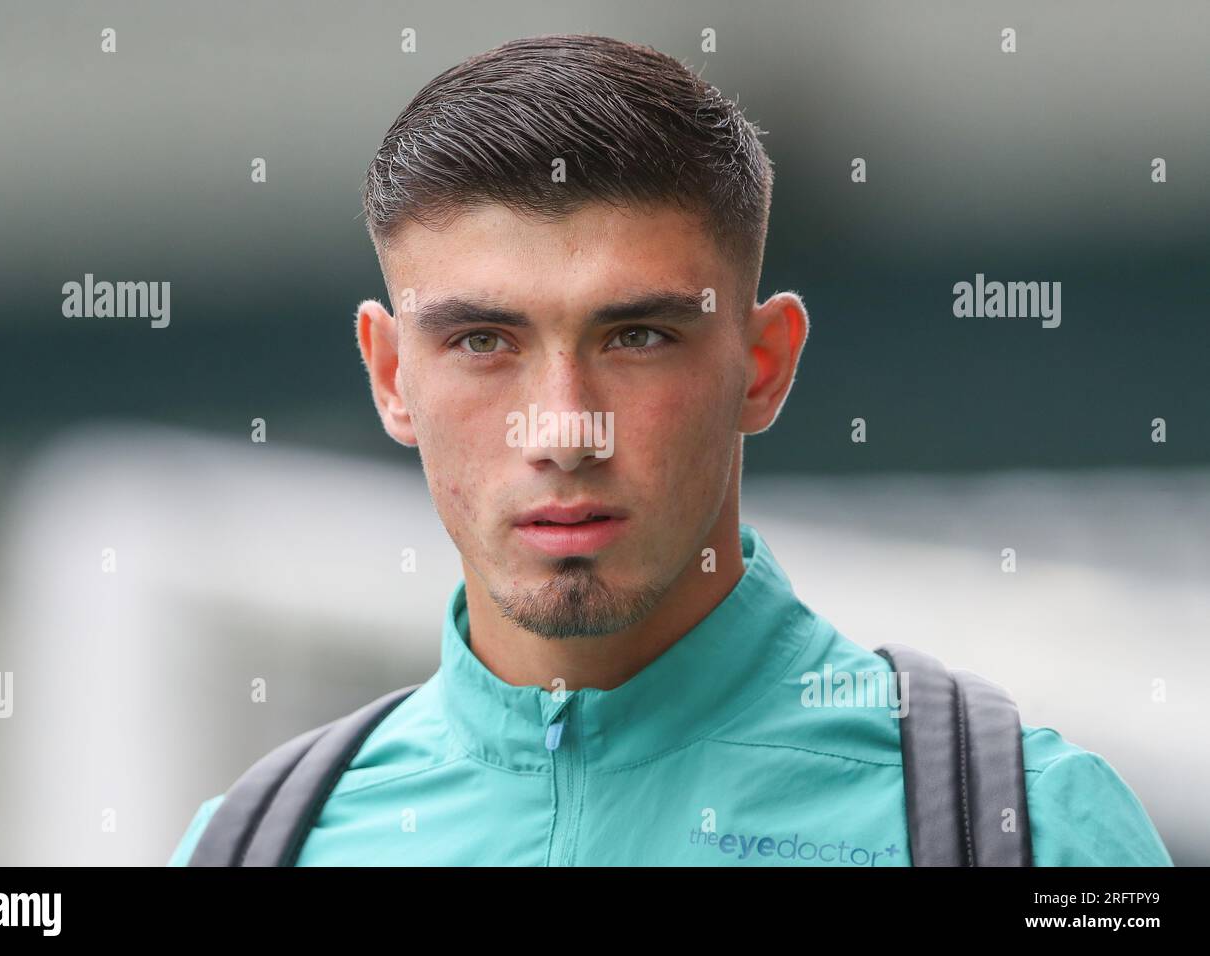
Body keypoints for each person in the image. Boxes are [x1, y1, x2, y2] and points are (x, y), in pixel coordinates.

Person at [167, 34, 1172, 866]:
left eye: (637, 336)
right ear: (391, 375)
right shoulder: (254, 846)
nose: (563, 429)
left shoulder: (1031, 831)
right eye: (482, 342)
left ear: (765, 362)